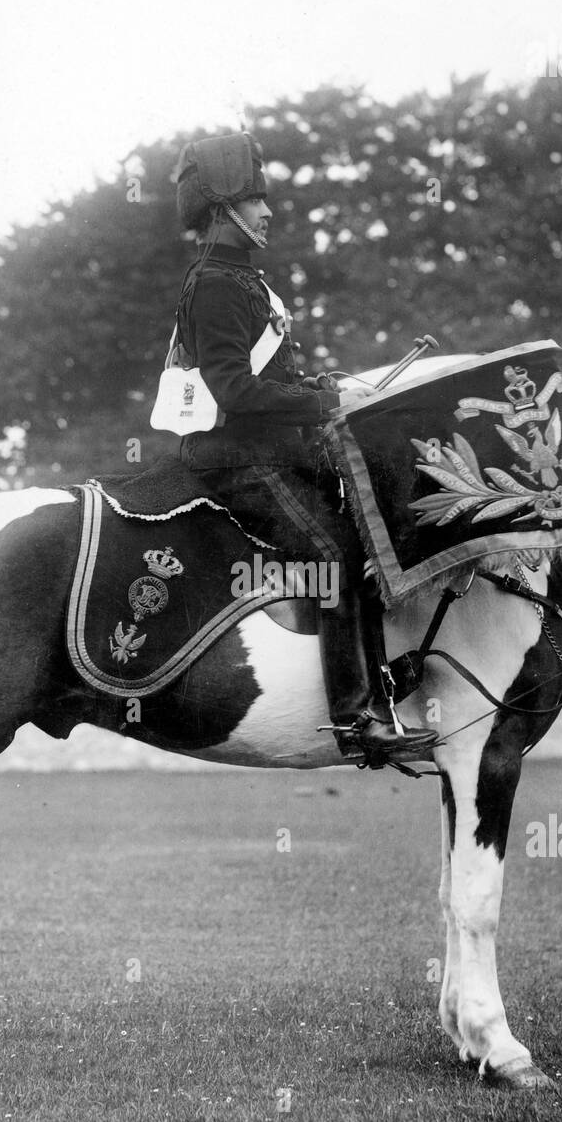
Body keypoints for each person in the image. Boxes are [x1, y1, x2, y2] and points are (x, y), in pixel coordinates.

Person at [170, 131, 438, 766]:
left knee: (368, 531)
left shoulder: (244, 279)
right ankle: (354, 720)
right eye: (255, 201)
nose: (268, 213)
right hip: (237, 463)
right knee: (335, 554)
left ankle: (381, 685)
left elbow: (268, 381)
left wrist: (322, 386)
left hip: (270, 455)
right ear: (223, 210)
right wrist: (323, 405)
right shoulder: (213, 283)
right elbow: (234, 391)